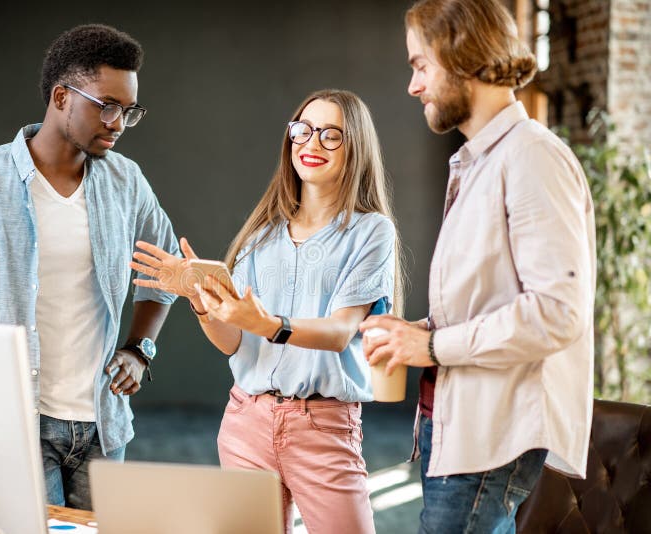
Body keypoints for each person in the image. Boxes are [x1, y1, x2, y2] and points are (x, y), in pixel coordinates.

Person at [360, 1, 596, 531]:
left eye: (420, 65)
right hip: (464, 427)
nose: (413, 85)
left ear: (462, 55)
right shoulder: (482, 161)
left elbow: (558, 313)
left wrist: (432, 346)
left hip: (493, 434)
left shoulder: (532, 158)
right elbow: (496, 301)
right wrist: (418, 333)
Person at [0, 24, 179, 510]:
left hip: (104, 424)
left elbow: (167, 271)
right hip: (15, 422)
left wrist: (139, 348)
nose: (119, 123)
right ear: (62, 96)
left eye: (129, 110)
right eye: (107, 105)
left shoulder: (126, 180)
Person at [131, 89, 402, 534]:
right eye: (303, 130)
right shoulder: (262, 234)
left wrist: (269, 325)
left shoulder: (371, 231)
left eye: (331, 135)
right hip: (246, 422)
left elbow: (339, 331)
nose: (311, 144)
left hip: (324, 428)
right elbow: (234, 342)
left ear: (355, 148)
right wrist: (201, 301)